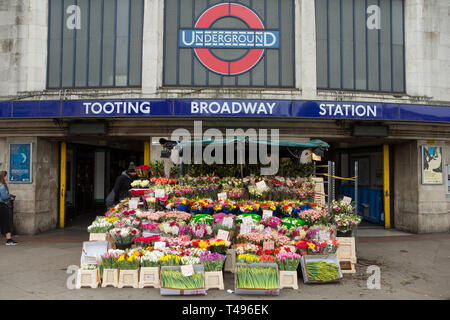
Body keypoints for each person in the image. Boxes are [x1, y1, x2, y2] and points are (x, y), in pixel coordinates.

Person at [0, 171, 18, 246]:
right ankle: (9, 240)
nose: (7, 177)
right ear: (4, 177)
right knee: (6, 222)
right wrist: (10, 196)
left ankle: (9, 239)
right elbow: (4, 197)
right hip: (2, 206)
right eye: (7, 176)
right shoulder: (2, 186)